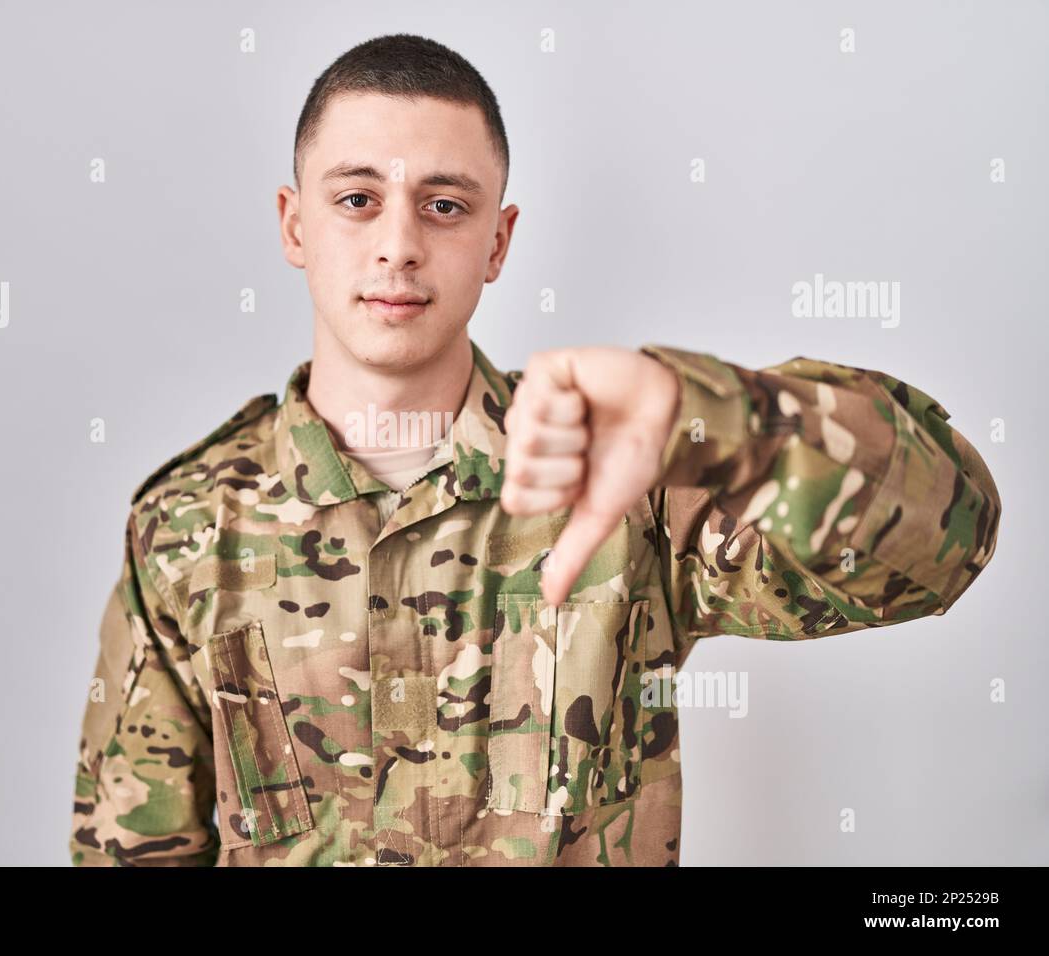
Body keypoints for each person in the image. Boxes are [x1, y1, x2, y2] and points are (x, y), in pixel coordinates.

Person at [69, 34, 1001, 867]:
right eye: (357, 199)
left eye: (443, 205)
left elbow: (943, 541)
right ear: (294, 225)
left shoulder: (621, 483)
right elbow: (131, 844)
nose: (397, 245)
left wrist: (720, 419)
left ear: (498, 242)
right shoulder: (189, 524)